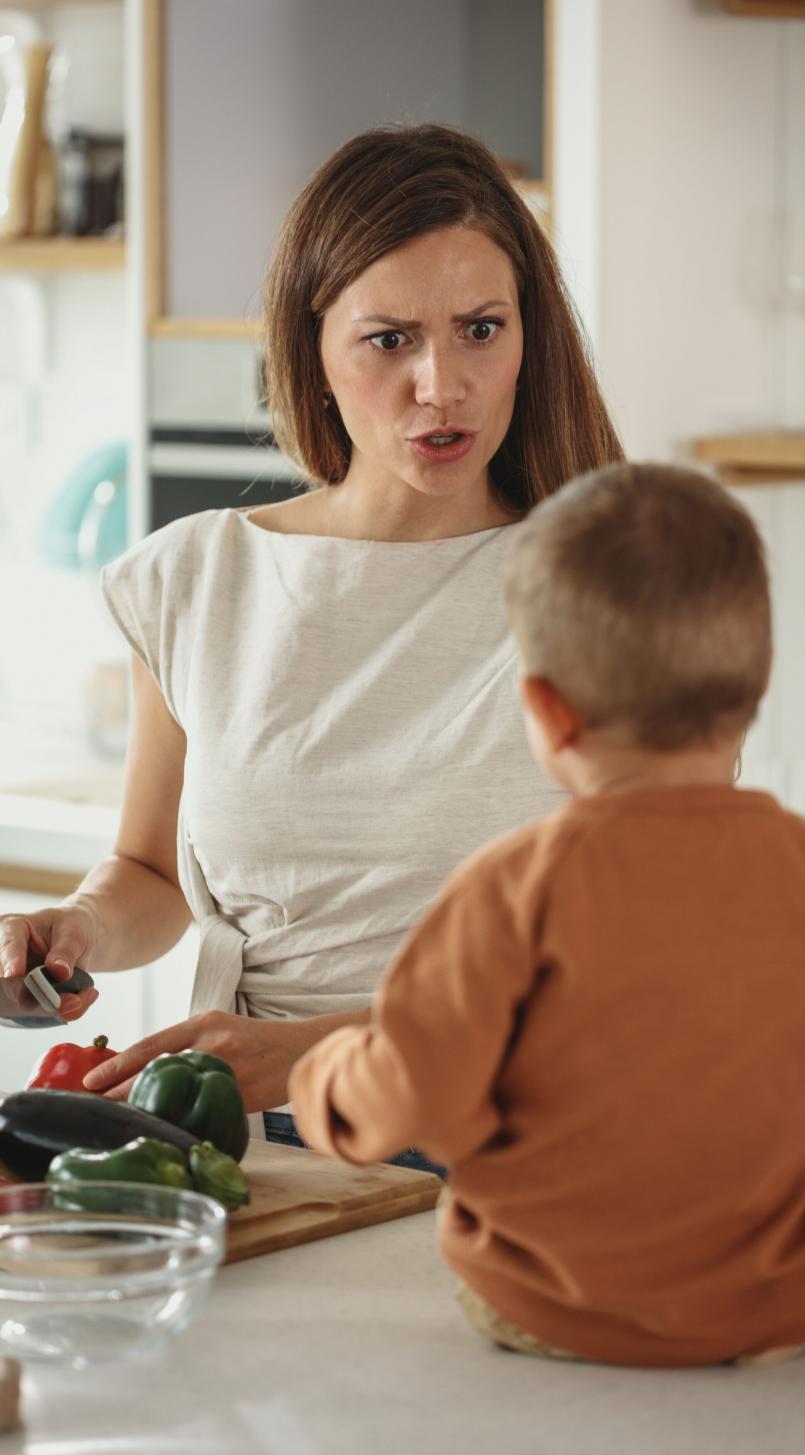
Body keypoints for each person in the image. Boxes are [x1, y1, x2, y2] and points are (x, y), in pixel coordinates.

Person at [0, 124, 623, 1163]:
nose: (442, 383)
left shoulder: (615, 585)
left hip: (538, 1156)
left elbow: (643, 955)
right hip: (267, 1160)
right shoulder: (196, 579)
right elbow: (152, 871)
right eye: (390, 339)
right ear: (315, 350)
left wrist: (317, 1050)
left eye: (480, 328)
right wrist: (77, 929)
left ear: (530, 337)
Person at [290, 461, 805, 1367]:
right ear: (757, 689)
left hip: (539, 1303)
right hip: (778, 1290)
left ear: (547, 712)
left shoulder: (507, 890)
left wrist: (321, 1080)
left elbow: (409, 1093)